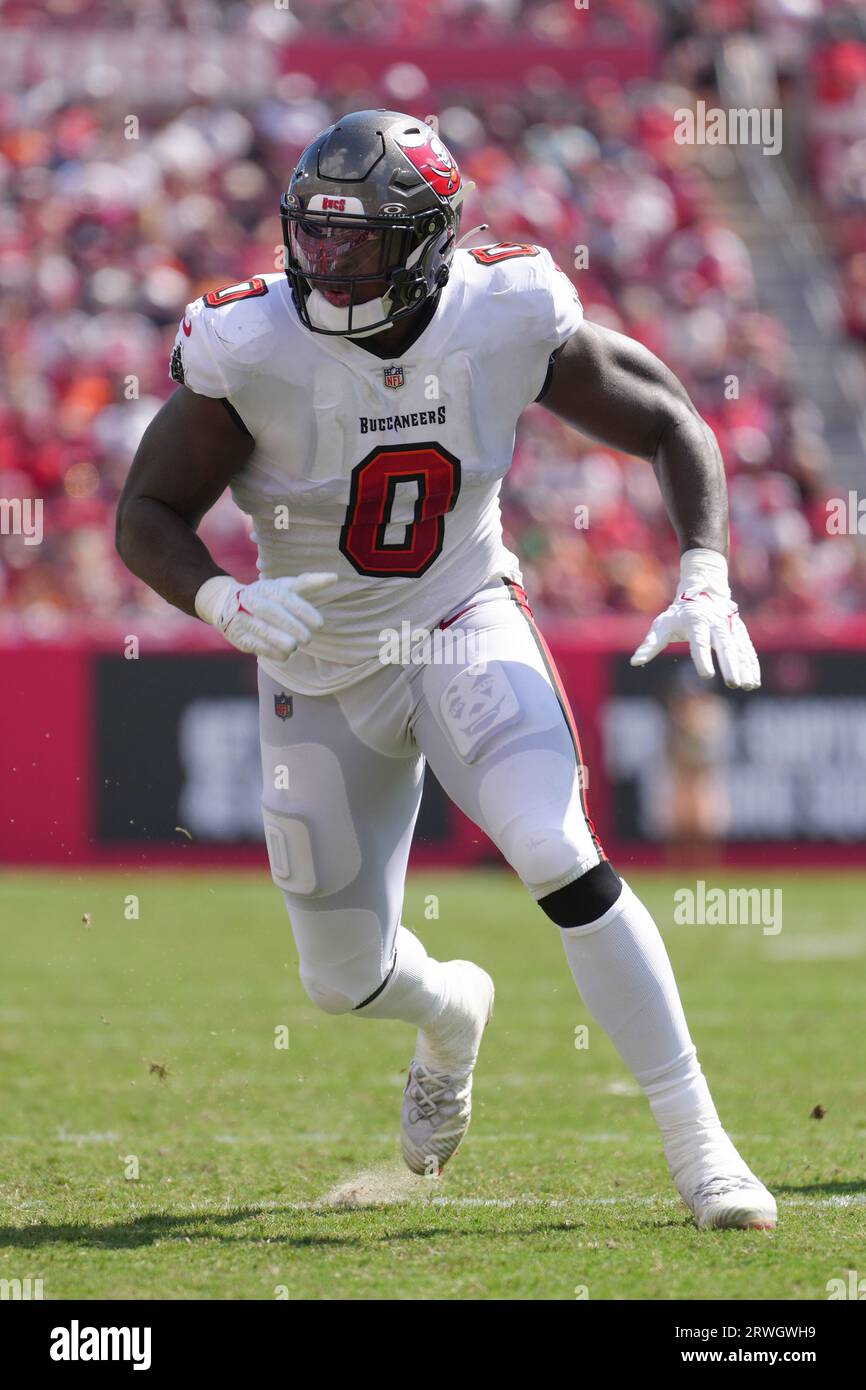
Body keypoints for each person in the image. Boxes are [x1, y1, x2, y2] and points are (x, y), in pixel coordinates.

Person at [116, 109, 774, 1229]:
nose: (326, 263)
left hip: (460, 612)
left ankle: (701, 1146)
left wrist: (704, 567)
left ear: (427, 241)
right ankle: (451, 1010)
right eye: (314, 237)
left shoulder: (502, 308)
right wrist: (219, 595)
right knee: (340, 977)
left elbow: (668, 418)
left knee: (555, 847)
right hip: (319, 657)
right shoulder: (253, 343)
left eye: (357, 240)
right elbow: (147, 510)